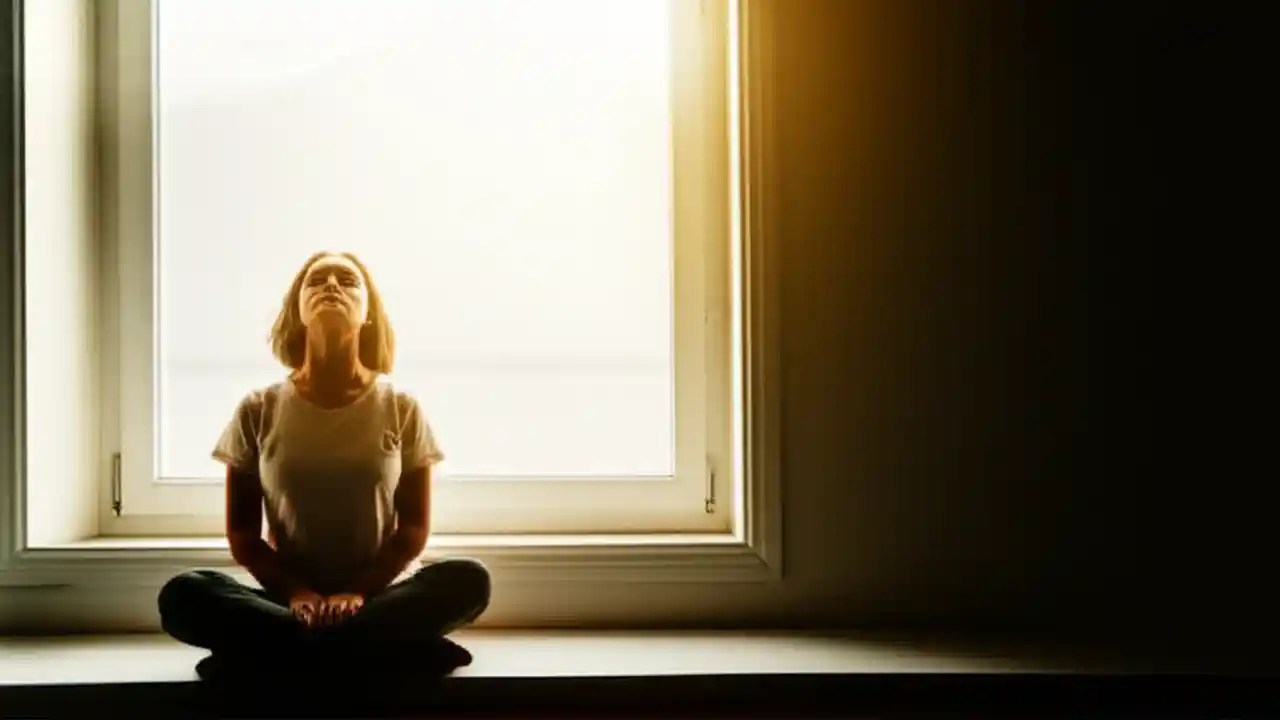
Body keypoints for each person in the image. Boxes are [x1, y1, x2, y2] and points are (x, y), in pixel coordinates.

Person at [156, 251, 490, 682]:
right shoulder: (260, 408)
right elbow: (242, 535)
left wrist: (358, 592)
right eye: (316, 281)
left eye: (348, 280)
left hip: (379, 597)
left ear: (369, 313)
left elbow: (412, 530)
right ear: (297, 310)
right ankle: (392, 653)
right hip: (286, 603)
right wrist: (297, 594)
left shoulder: (400, 408)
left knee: (469, 580)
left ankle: (266, 658)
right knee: (185, 595)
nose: (331, 286)